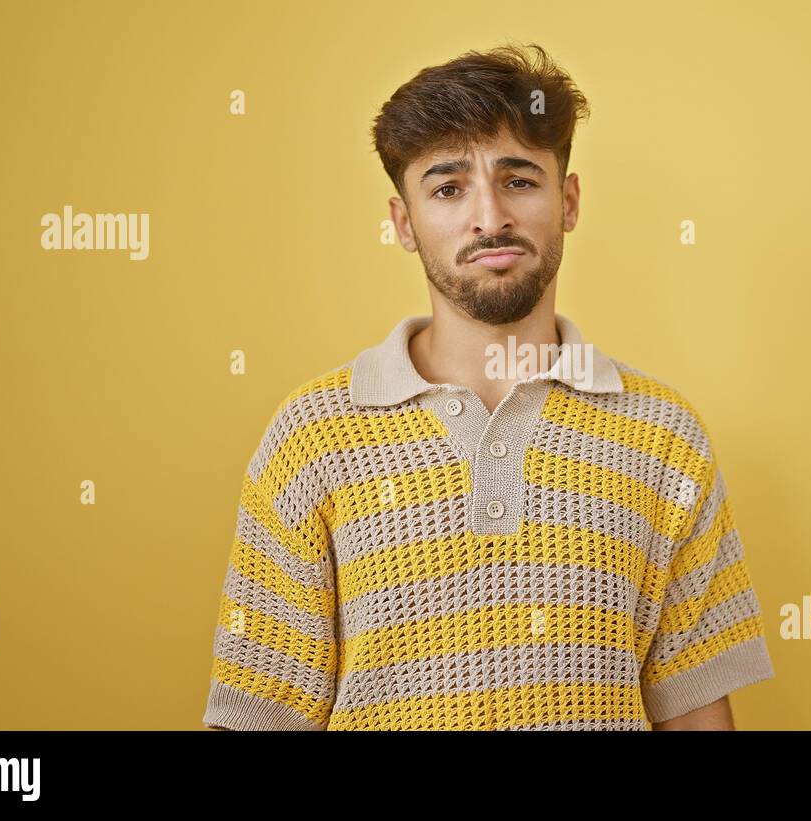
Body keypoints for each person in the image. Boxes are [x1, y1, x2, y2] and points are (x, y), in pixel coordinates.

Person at [201, 42, 774, 731]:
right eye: (448, 188)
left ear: (568, 200)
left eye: (519, 180)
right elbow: (259, 717)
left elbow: (696, 714)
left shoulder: (666, 438)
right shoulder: (308, 441)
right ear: (403, 223)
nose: (490, 217)